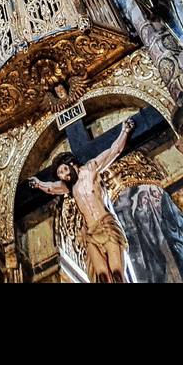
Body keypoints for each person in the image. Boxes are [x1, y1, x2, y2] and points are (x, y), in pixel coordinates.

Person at [27, 117, 135, 282]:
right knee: (102, 278)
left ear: (71, 163)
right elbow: (50, 187)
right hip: (90, 233)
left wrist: (125, 131)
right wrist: (38, 183)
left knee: (117, 275)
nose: (64, 175)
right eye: (60, 174)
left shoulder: (91, 169)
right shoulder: (68, 187)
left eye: (64, 170)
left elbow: (114, 151)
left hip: (107, 226)